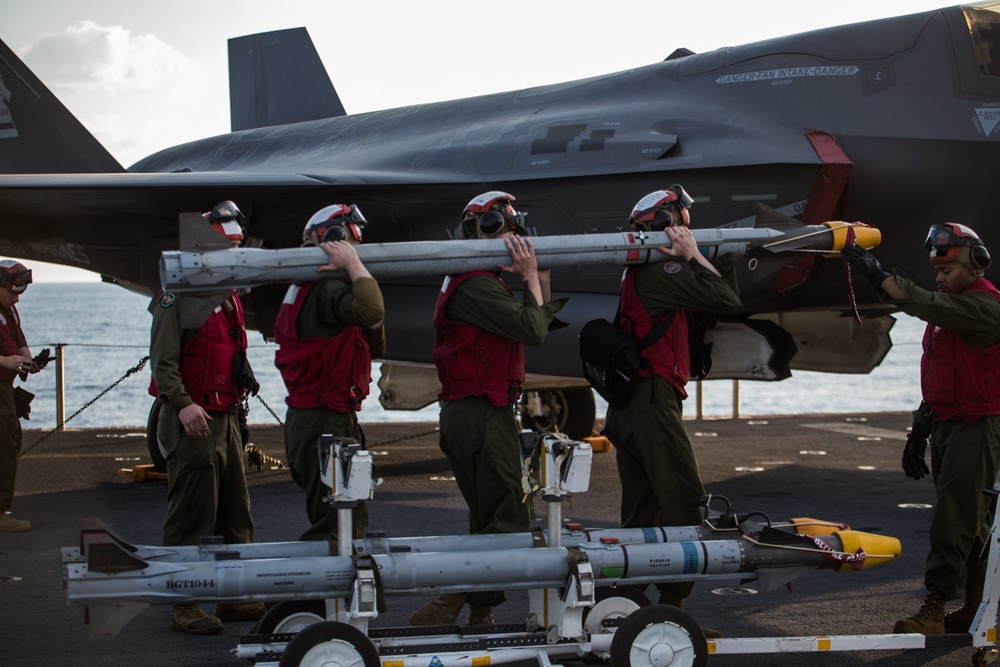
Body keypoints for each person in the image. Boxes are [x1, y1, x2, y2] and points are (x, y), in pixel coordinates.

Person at [408, 191, 567, 627]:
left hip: (476, 411)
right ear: (489, 230)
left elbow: (537, 321)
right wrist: (531, 276)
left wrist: (542, 276)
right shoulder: (476, 284)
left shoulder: (472, 277)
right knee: (510, 519)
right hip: (480, 415)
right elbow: (531, 330)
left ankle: (480, 612)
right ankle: (448, 602)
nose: (516, 243)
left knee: (485, 522)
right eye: (510, 233)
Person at [842, 223, 1000, 635]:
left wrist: (876, 273)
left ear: (975, 266)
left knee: (954, 520)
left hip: (978, 428)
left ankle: (934, 608)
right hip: (950, 426)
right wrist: (920, 430)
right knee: (972, 521)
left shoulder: (984, 307)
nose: (940, 278)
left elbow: (920, 302)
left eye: (948, 271)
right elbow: (941, 375)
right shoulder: (947, 309)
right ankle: (979, 604)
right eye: (937, 272)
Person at [602, 186, 740, 638]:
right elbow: (726, 300)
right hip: (653, 402)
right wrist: (697, 255)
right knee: (683, 499)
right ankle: (672, 612)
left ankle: (624, 609)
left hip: (635, 403)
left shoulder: (642, 268)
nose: (687, 226)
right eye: (681, 219)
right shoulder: (663, 268)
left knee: (641, 513)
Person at [148, 201, 264, 634]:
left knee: (235, 514)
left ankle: (232, 597)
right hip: (193, 420)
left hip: (225, 417)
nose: (234, 255)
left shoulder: (227, 295)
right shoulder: (177, 296)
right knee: (191, 515)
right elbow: (163, 363)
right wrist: (182, 404)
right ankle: (184, 604)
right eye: (228, 247)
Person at [274, 204, 385, 543]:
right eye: (351, 245)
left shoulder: (312, 288)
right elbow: (372, 309)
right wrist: (353, 266)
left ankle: (327, 595)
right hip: (325, 421)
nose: (357, 253)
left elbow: (373, 341)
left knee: (343, 515)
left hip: (323, 417)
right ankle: (319, 594)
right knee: (339, 525)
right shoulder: (326, 290)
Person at [0, 260, 40, 533]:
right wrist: (6, 362)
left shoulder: (10, 310)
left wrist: (27, 360)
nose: (16, 298)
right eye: (12, 292)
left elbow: (19, 338)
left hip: (6, 388)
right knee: (4, 449)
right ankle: (2, 514)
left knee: (11, 443)